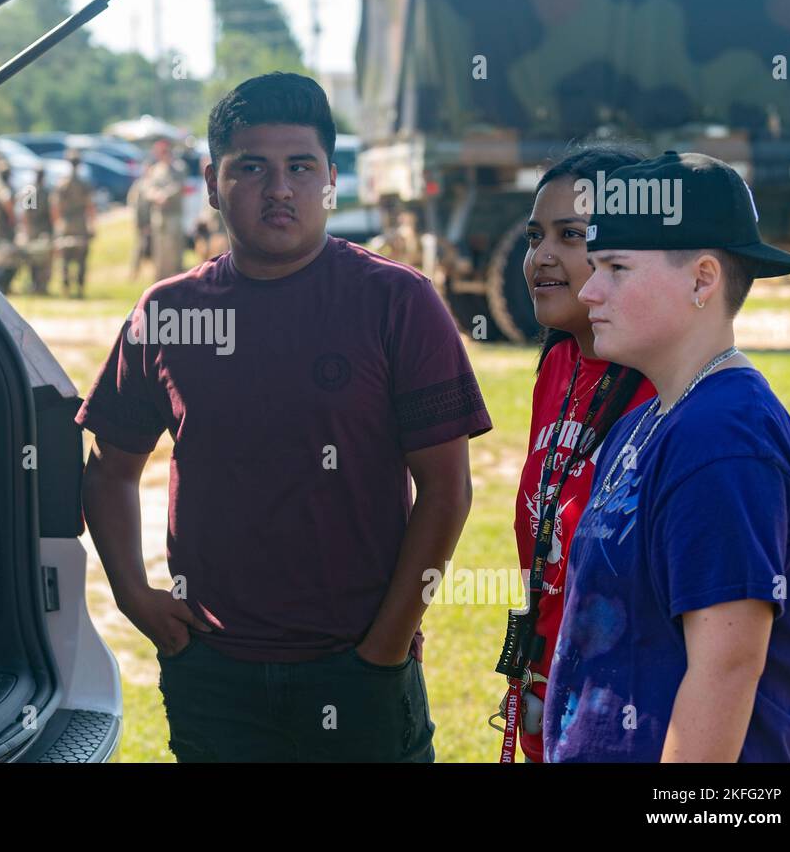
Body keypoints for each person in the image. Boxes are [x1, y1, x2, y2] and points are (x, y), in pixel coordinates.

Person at [76, 73, 492, 762]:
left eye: (301, 167)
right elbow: (110, 470)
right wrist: (132, 597)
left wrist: (384, 648)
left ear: (331, 178)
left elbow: (447, 492)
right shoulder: (170, 312)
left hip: (357, 667)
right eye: (251, 168)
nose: (279, 189)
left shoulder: (398, 302)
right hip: (212, 671)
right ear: (212, 182)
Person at [544, 151, 790, 762]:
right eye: (593, 265)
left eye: (616, 267)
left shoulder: (724, 439)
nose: (589, 289)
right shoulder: (644, 422)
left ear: (703, 279)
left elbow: (725, 670)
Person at [141, 139, 186, 279]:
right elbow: (147, 188)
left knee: (174, 248)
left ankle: (175, 277)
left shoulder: (179, 167)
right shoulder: (155, 170)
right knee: (159, 249)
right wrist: (155, 195)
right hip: (159, 215)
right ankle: (160, 278)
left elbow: (179, 185)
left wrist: (165, 195)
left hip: (174, 214)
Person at [53, 151, 95, 299]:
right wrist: (92, 224)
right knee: (82, 258)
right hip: (80, 223)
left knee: (65, 258)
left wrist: (58, 223)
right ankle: (80, 288)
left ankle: (66, 288)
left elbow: (56, 206)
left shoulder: (62, 183)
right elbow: (90, 205)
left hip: (66, 223)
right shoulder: (84, 183)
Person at [22, 165, 54, 295]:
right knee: (40, 260)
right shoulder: (44, 191)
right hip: (41, 230)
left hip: (35, 229)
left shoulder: (31, 191)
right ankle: (39, 285)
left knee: (36, 260)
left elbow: (26, 213)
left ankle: (38, 285)